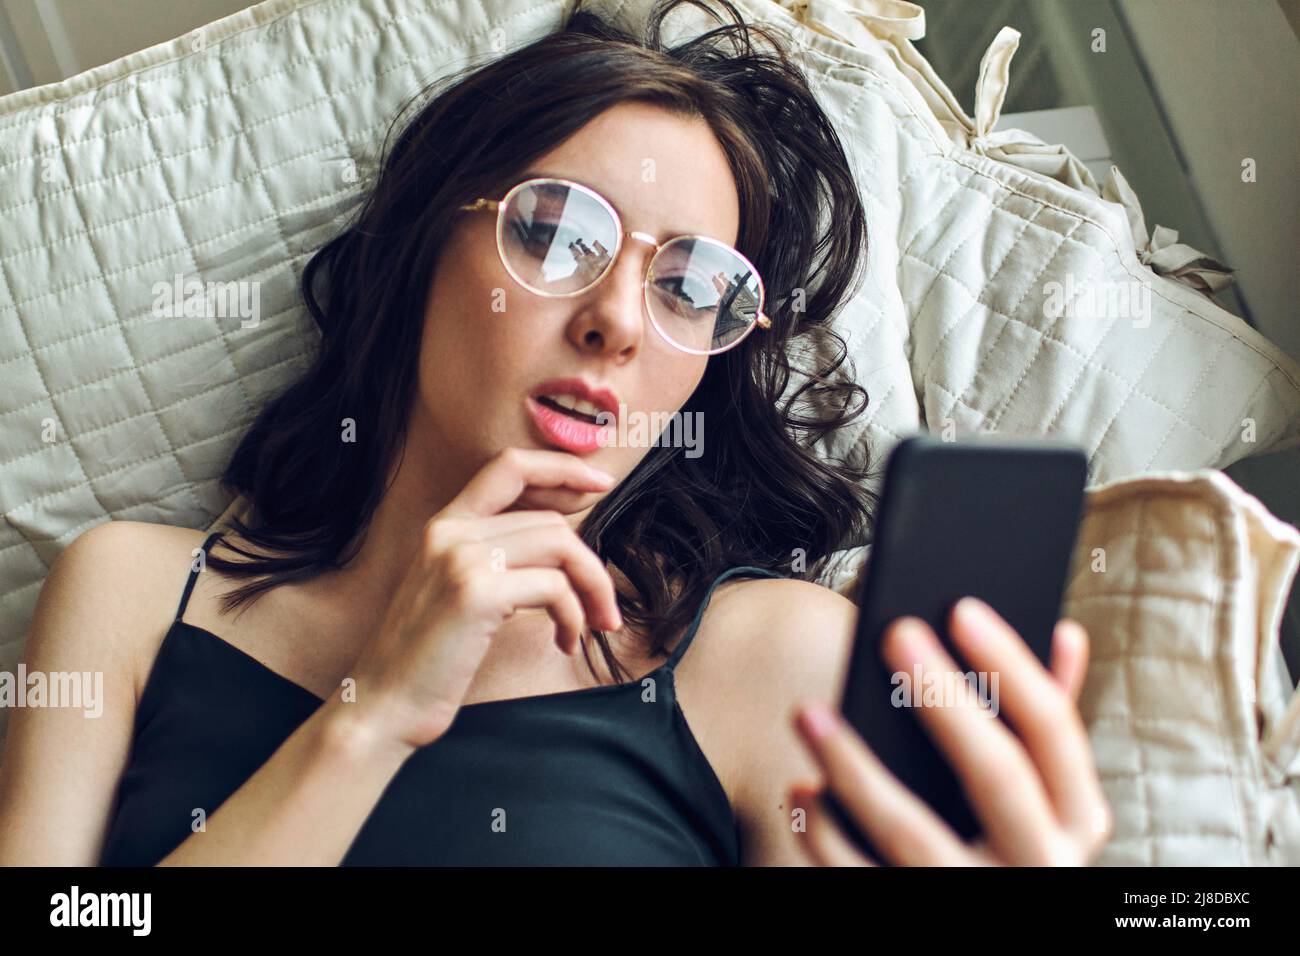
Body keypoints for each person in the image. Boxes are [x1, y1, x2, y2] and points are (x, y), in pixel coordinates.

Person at [0, 0, 1110, 866]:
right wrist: (371, 716)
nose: (618, 318)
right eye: (558, 228)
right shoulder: (136, 597)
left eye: (692, 284)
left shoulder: (771, 657)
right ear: (424, 242)